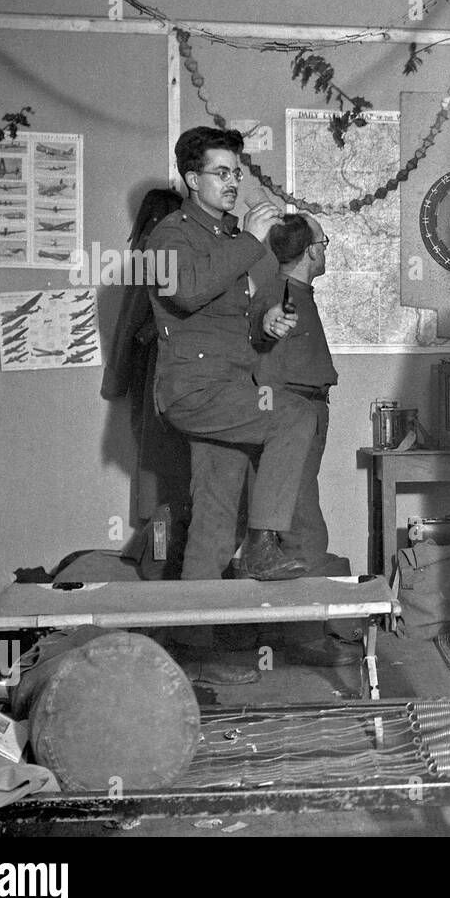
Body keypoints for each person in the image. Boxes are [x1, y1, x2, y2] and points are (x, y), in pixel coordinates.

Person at [145, 126, 316, 684]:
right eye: (222, 172)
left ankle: (195, 650)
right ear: (192, 180)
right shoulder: (169, 236)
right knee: (296, 415)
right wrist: (249, 239)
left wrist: (268, 327)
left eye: (237, 172)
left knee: (215, 521)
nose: (233, 181)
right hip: (193, 392)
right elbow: (187, 292)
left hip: (228, 388)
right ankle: (263, 547)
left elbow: (233, 323)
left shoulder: (225, 237)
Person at [251, 212, 359, 666]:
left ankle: (317, 626)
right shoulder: (280, 296)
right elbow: (263, 350)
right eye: (324, 241)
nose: (326, 248)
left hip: (309, 409)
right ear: (312, 250)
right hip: (294, 415)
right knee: (304, 523)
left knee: (302, 515)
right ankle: (329, 631)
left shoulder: (298, 293)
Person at [101, 188, 190, 527]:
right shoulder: (180, 248)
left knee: (157, 469)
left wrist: (117, 380)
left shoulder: (147, 253)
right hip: (172, 370)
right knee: (173, 468)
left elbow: (129, 323)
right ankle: (164, 555)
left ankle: (162, 555)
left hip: (154, 368)